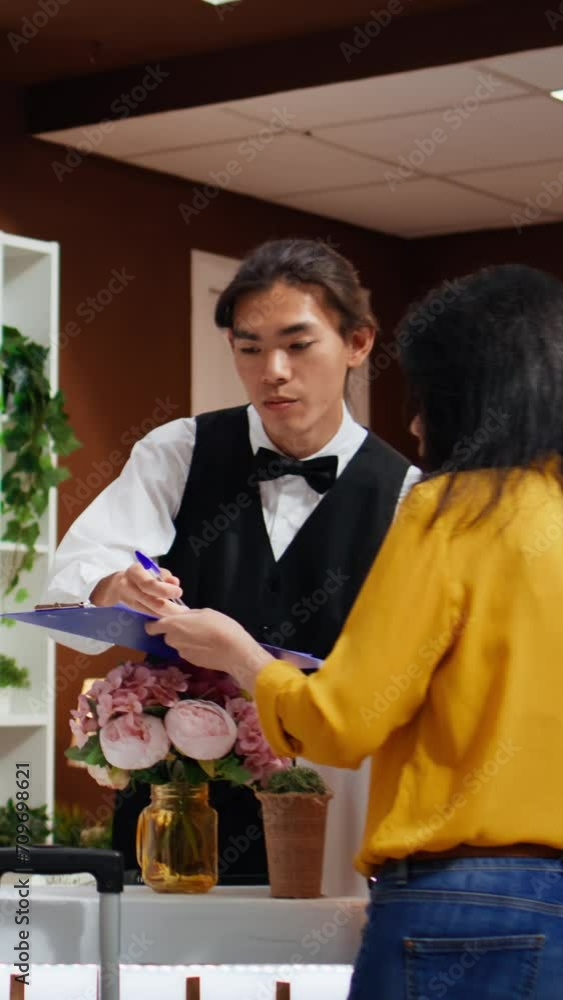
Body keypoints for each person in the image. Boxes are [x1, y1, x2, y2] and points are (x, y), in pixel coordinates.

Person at [147, 263, 563, 998]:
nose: (410, 423)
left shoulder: (451, 514)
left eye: (424, 396)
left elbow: (342, 723)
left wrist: (242, 657)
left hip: (459, 903)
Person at [47, 237, 419, 894]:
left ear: (358, 344)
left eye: (297, 345)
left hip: (332, 812)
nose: (272, 370)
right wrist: (115, 584)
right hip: (176, 808)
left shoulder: (408, 493)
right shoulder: (181, 450)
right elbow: (72, 580)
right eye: (249, 348)